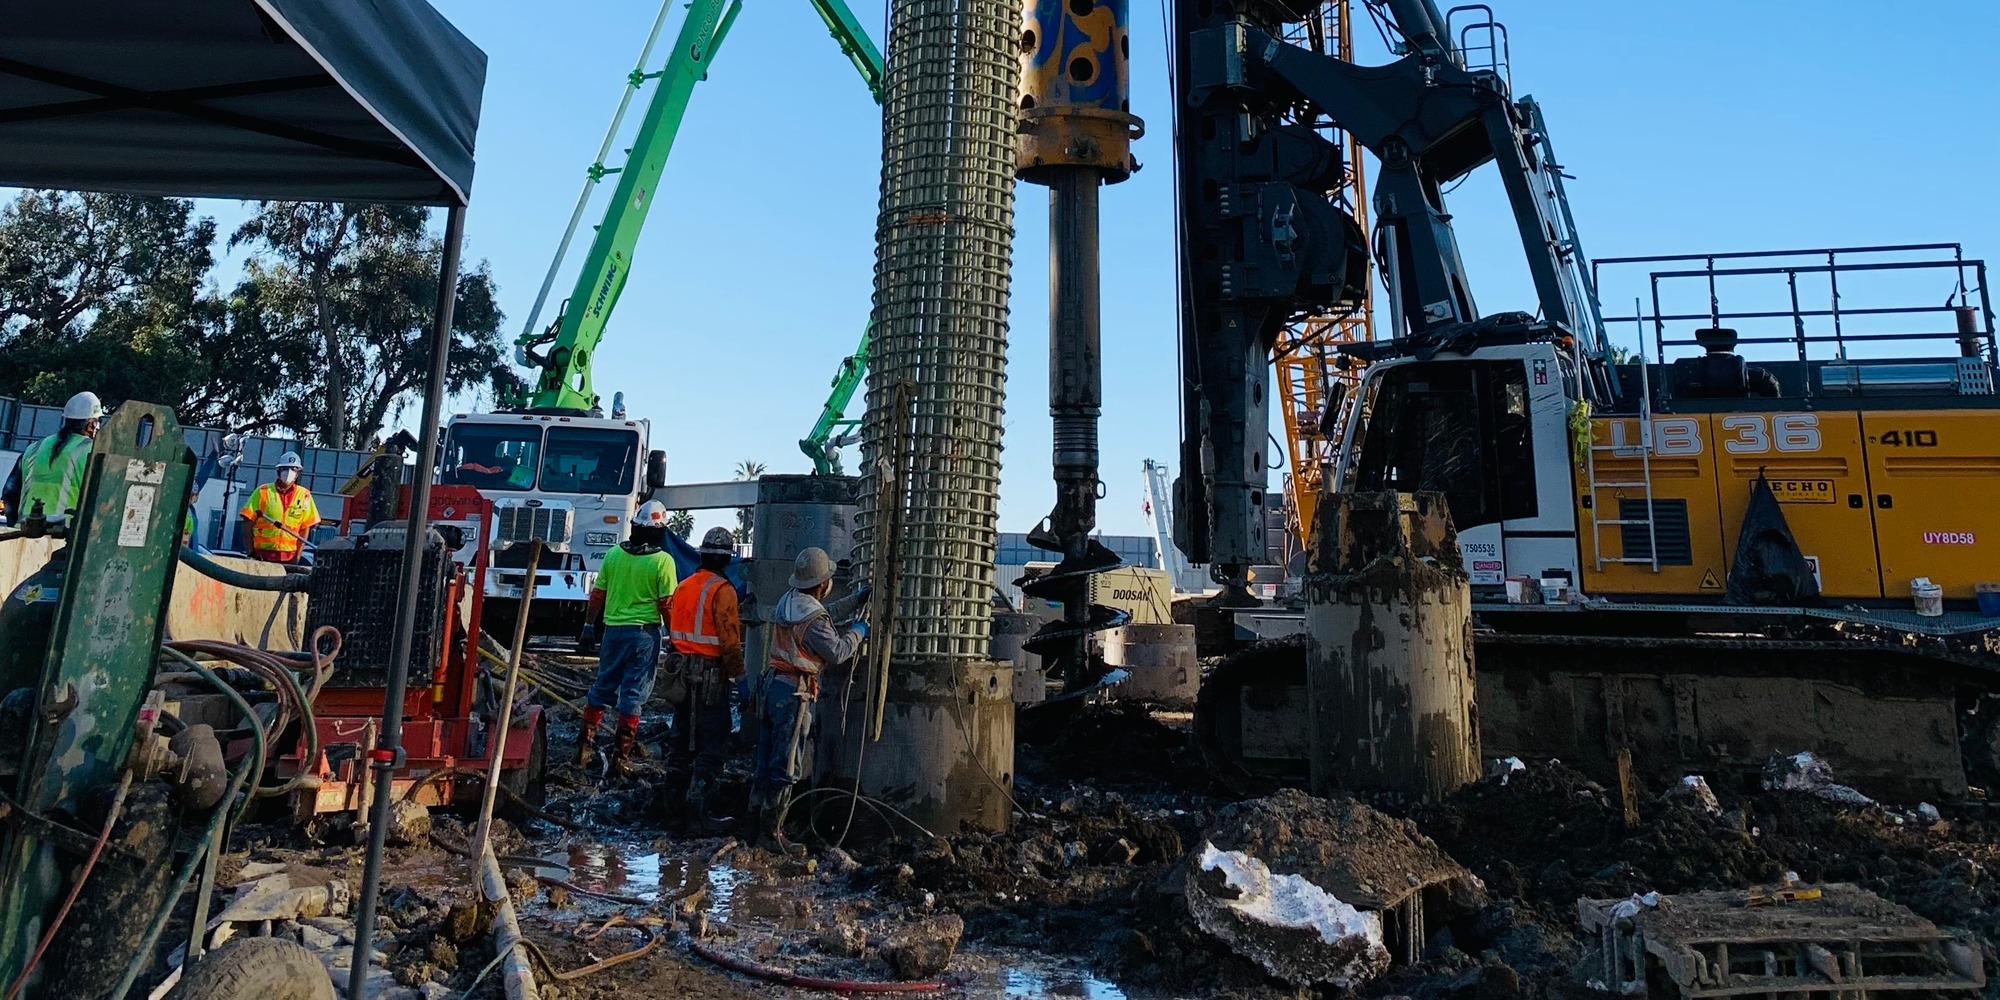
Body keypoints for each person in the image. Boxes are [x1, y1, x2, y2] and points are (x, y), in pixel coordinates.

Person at [753, 546, 868, 854]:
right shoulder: (813, 619)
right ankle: (772, 834)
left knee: (766, 759)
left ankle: (756, 821)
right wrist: (858, 632)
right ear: (821, 584)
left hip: (773, 686)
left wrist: (857, 600)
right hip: (794, 693)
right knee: (786, 765)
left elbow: (826, 614)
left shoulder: (789, 601)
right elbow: (837, 651)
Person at [578, 500, 678, 777]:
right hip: (644, 635)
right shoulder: (663, 561)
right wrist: (674, 638)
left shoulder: (613, 555)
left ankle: (583, 750)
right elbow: (667, 604)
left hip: (613, 632)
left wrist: (588, 626)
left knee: (602, 688)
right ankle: (620, 758)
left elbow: (597, 595)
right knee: (633, 695)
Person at [668, 527, 744, 821]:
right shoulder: (723, 591)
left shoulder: (684, 586)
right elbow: (729, 643)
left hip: (681, 674)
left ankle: (673, 808)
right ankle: (697, 813)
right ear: (726, 559)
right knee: (711, 743)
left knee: (681, 742)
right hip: (710, 677)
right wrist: (741, 679)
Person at [9, 391, 106, 524]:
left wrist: (13, 524)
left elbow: (10, 493)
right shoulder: (93, 451)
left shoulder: (34, 448)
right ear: (91, 425)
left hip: (24, 530)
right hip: (64, 532)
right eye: (99, 421)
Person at [238, 451, 320, 563]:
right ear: (278, 471)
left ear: (297, 474)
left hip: (289, 558)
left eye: (294, 469)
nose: (289, 472)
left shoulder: (304, 495)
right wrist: (250, 552)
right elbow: (247, 521)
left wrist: (297, 556)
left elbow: (305, 528)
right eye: (285, 469)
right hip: (262, 556)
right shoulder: (263, 491)